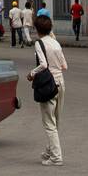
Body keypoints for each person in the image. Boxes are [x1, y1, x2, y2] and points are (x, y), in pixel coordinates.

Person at [28, 15, 68, 166]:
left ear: (37, 29)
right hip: (60, 83)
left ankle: (56, 157)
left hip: (48, 85)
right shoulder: (56, 43)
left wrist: (32, 73)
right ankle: (49, 152)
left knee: (49, 123)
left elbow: (43, 65)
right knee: (55, 122)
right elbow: (65, 65)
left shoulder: (39, 43)